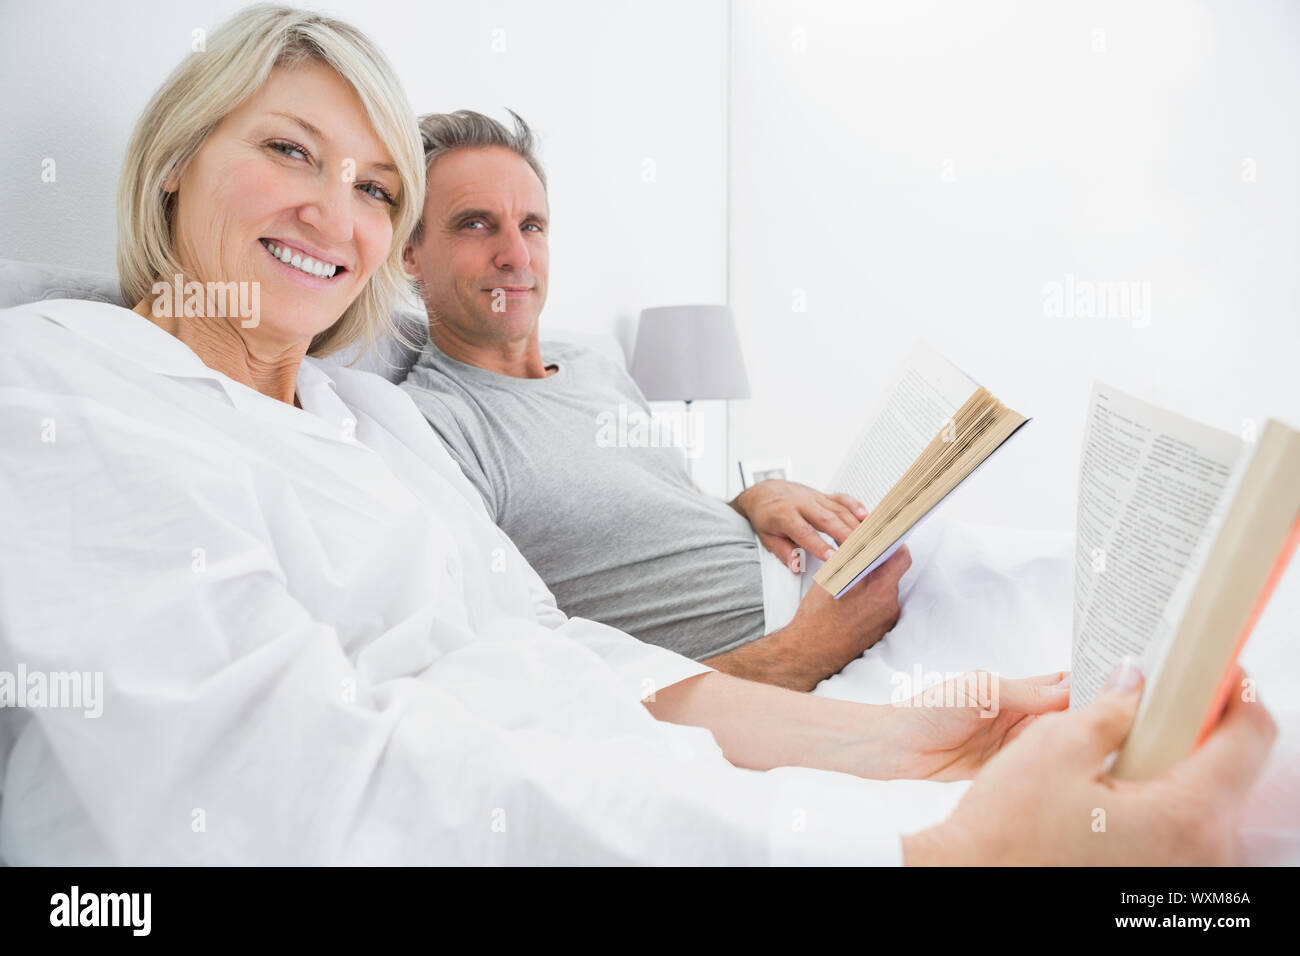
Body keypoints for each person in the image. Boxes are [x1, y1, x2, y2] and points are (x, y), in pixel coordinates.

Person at [0, 4, 1275, 867]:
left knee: (1187, 735)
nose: (339, 217)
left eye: (375, 188)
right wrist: (929, 851)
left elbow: (573, 665)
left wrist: (905, 743)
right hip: (479, 817)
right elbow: (290, 784)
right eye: (291, 150)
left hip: (636, 762)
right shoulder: (69, 386)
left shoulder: (369, 419)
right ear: (173, 160)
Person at [399, 110, 911, 690]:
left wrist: (747, 501)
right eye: (474, 224)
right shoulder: (432, 426)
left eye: (533, 226)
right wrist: (804, 652)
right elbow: (527, 685)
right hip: (807, 642)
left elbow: (666, 515)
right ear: (407, 253)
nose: (517, 255)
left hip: (836, 577)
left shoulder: (595, 366)